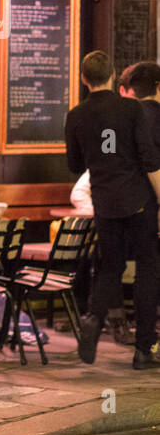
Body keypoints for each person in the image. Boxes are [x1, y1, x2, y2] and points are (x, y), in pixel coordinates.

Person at [67, 51, 160, 369]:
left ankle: (94, 317)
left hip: (105, 205)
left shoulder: (76, 115)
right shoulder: (131, 108)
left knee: (111, 266)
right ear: (112, 75)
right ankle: (143, 349)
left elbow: (74, 165)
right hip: (138, 203)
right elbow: (149, 160)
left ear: (83, 79)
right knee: (148, 268)